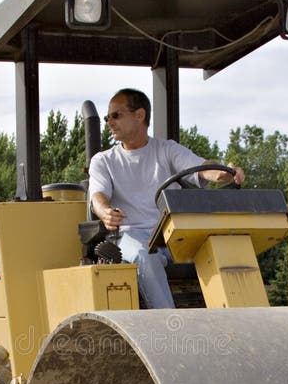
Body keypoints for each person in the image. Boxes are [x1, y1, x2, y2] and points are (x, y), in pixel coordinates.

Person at [88, 88, 245, 308]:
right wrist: (105, 212)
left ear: (139, 115)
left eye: (116, 115)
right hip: (132, 236)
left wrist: (220, 174)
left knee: (222, 245)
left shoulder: (167, 150)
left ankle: (233, 318)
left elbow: (200, 168)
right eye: (107, 117)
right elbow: (98, 196)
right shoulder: (104, 161)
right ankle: (171, 327)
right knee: (145, 256)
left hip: (173, 234)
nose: (109, 122)